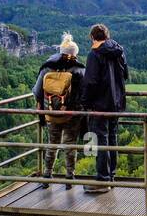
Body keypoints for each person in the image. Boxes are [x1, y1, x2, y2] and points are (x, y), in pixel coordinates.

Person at [32, 33, 87, 189]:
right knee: (70, 144)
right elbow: (84, 94)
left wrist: (43, 106)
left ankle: (47, 175)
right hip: (72, 115)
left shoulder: (47, 68)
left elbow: (37, 91)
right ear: (75, 54)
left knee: (52, 143)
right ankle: (69, 177)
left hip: (51, 113)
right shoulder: (79, 70)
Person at [80, 22, 128, 193]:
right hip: (116, 103)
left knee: (101, 140)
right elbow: (125, 75)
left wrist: (85, 103)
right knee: (112, 138)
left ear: (93, 37)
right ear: (107, 36)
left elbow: (90, 81)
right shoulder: (119, 52)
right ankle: (111, 175)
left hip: (100, 105)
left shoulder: (94, 54)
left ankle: (103, 179)